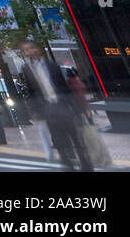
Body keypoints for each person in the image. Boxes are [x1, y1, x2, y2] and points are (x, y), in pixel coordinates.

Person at [19, 39, 92, 172]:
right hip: (47, 108)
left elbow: (63, 86)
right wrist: (35, 110)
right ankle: (68, 165)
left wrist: (75, 107)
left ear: (37, 49)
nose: (29, 52)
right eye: (25, 50)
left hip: (61, 104)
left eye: (30, 48)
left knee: (75, 136)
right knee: (58, 139)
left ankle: (85, 164)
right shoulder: (26, 69)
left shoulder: (51, 65)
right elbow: (31, 91)